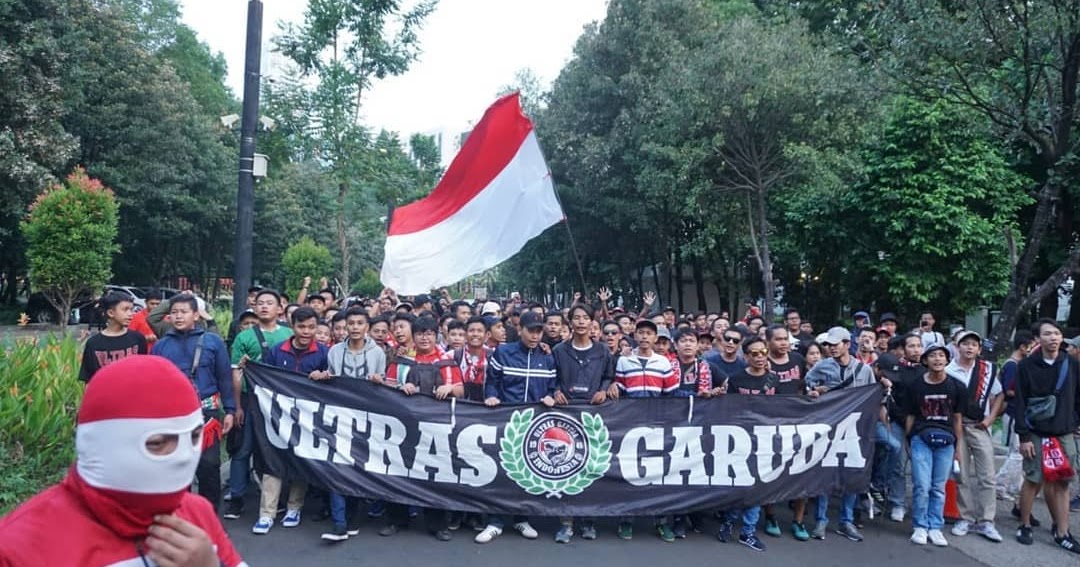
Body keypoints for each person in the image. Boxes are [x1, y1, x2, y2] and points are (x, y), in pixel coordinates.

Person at [0, 356, 247, 566]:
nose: (183, 456)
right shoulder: (19, 546)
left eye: (194, 437)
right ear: (101, 443)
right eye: (158, 443)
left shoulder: (196, 513)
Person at [379, 315, 462, 542]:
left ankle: (437, 524)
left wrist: (449, 387)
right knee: (398, 469)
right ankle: (396, 519)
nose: (425, 338)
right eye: (420, 334)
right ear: (413, 336)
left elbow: (461, 391)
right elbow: (387, 387)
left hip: (436, 428)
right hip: (403, 426)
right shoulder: (402, 360)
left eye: (429, 334)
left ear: (437, 336)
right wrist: (400, 386)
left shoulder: (446, 361)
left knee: (435, 473)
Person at [150, 294, 236, 513]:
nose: (179, 316)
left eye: (184, 311)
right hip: (174, 415)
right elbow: (155, 382)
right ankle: (184, 517)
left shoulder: (213, 342)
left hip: (207, 413)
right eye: (175, 312)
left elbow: (224, 377)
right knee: (178, 468)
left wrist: (230, 410)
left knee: (209, 466)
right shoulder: (161, 346)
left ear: (196, 315)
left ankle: (209, 516)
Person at [476, 311, 556, 544]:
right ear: (519, 329)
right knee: (501, 471)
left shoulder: (547, 357)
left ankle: (522, 518)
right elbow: (492, 381)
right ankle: (495, 521)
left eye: (538, 331)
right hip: (505, 421)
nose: (535, 335)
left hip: (534, 425)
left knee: (527, 471)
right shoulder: (503, 352)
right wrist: (491, 396)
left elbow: (552, 386)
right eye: (530, 330)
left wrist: (551, 395)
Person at [251, 306, 329, 535]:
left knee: (299, 461)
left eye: (311, 327)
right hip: (277, 416)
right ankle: (266, 513)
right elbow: (264, 377)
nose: (306, 331)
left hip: (308, 418)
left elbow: (334, 385)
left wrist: (325, 378)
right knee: (272, 461)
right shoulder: (277, 351)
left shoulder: (324, 353)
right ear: (291, 326)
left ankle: (294, 508)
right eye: (301, 326)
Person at [224, 289, 293, 521]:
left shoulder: (289, 334)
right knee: (242, 449)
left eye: (269, 303)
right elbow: (236, 373)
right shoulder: (244, 337)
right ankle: (236, 497)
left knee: (275, 450)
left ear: (279, 308)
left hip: (277, 402)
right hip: (249, 398)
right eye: (260, 303)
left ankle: (277, 500)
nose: (264, 307)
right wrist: (237, 406)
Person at [806, 326, 879, 543]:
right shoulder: (822, 366)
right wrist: (815, 391)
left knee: (852, 473)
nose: (831, 348)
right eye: (828, 345)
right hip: (829, 427)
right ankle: (821, 519)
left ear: (847, 344)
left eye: (836, 344)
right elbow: (809, 382)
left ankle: (846, 520)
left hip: (855, 430)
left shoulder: (863, 370)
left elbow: (871, 397)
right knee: (825, 473)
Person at [1013, 318, 1080, 553]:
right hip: (1035, 432)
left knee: (1063, 481)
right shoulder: (1026, 366)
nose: (1054, 337)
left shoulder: (1071, 364)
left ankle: (1062, 532)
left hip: (1064, 431)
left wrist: (1076, 422)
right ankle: (1024, 524)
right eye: (1048, 333)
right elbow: (1019, 402)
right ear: (1037, 339)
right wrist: (1023, 437)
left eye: (1057, 333)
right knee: (1033, 479)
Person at [551, 303, 615, 543]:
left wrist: (604, 389)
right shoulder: (559, 350)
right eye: (576, 318)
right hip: (565, 413)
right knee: (566, 466)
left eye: (584, 318)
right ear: (570, 322)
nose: (580, 322)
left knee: (592, 467)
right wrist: (556, 390)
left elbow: (610, 375)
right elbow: (553, 376)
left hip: (594, 413)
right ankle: (566, 523)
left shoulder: (603, 351)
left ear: (591, 322)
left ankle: (589, 520)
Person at [945, 330, 1004, 542]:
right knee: (961, 473)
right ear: (957, 346)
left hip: (980, 426)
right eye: (965, 343)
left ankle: (987, 520)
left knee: (987, 473)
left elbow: (999, 394)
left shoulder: (987, 370)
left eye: (974, 344)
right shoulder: (948, 370)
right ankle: (965, 517)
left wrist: (991, 418)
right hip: (957, 427)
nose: (969, 348)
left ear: (979, 349)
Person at [905, 344, 965, 547]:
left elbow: (957, 418)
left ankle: (935, 526)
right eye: (933, 356)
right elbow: (911, 414)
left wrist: (958, 446)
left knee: (939, 487)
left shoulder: (956, 386)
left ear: (947, 360)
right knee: (922, 485)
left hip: (946, 440)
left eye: (941, 355)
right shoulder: (915, 385)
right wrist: (908, 441)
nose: (938, 359)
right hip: (921, 438)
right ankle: (920, 525)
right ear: (925, 360)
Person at [79, 291, 148, 383]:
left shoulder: (138, 338)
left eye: (131, 309)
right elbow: (90, 379)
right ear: (111, 313)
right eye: (125, 309)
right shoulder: (94, 343)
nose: (130, 313)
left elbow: (144, 371)